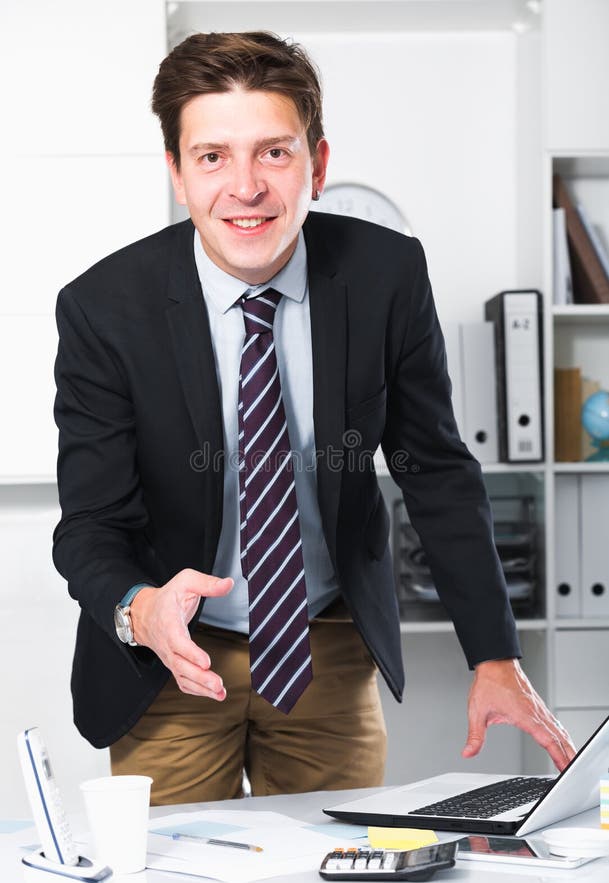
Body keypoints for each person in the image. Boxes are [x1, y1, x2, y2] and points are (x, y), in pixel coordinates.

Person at [53, 31, 575, 806]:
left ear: (316, 164)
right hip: (173, 659)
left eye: (273, 152)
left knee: (338, 872)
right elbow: (89, 525)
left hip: (322, 647)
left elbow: (432, 469)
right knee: (172, 880)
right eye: (212, 157)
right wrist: (141, 611)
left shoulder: (385, 275)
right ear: (176, 173)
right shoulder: (104, 308)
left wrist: (493, 656)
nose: (245, 187)